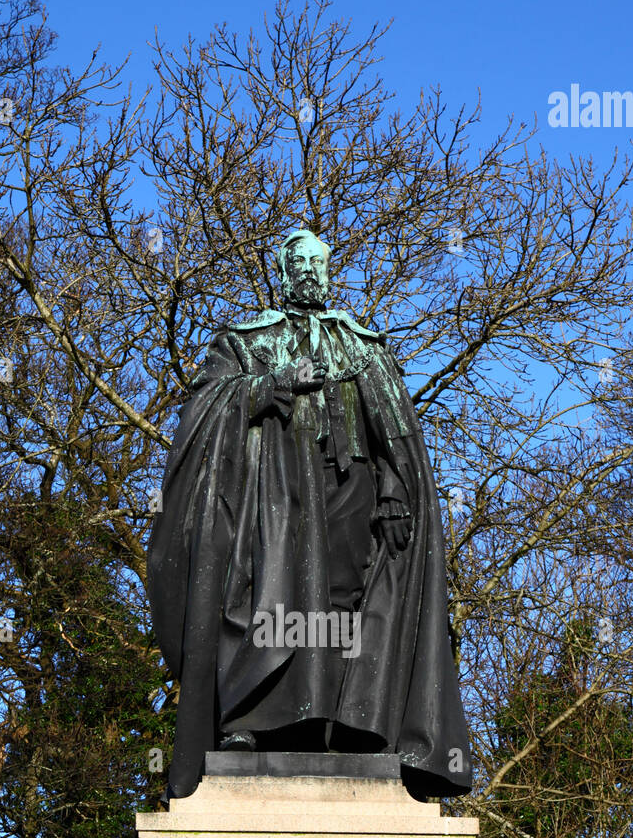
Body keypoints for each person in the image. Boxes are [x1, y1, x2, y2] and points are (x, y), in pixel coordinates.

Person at [147, 229, 472, 800]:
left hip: (349, 494)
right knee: (263, 600)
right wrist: (271, 386)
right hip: (272, 498)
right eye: (300, 263)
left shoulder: (361, 343)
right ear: (282, 269)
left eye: (320, 263)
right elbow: (203, 411)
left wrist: (396, 490)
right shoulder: (246, 341)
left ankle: (339, 725)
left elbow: (393, 428)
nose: (311, 273)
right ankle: (248, 722)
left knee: (341, 605)